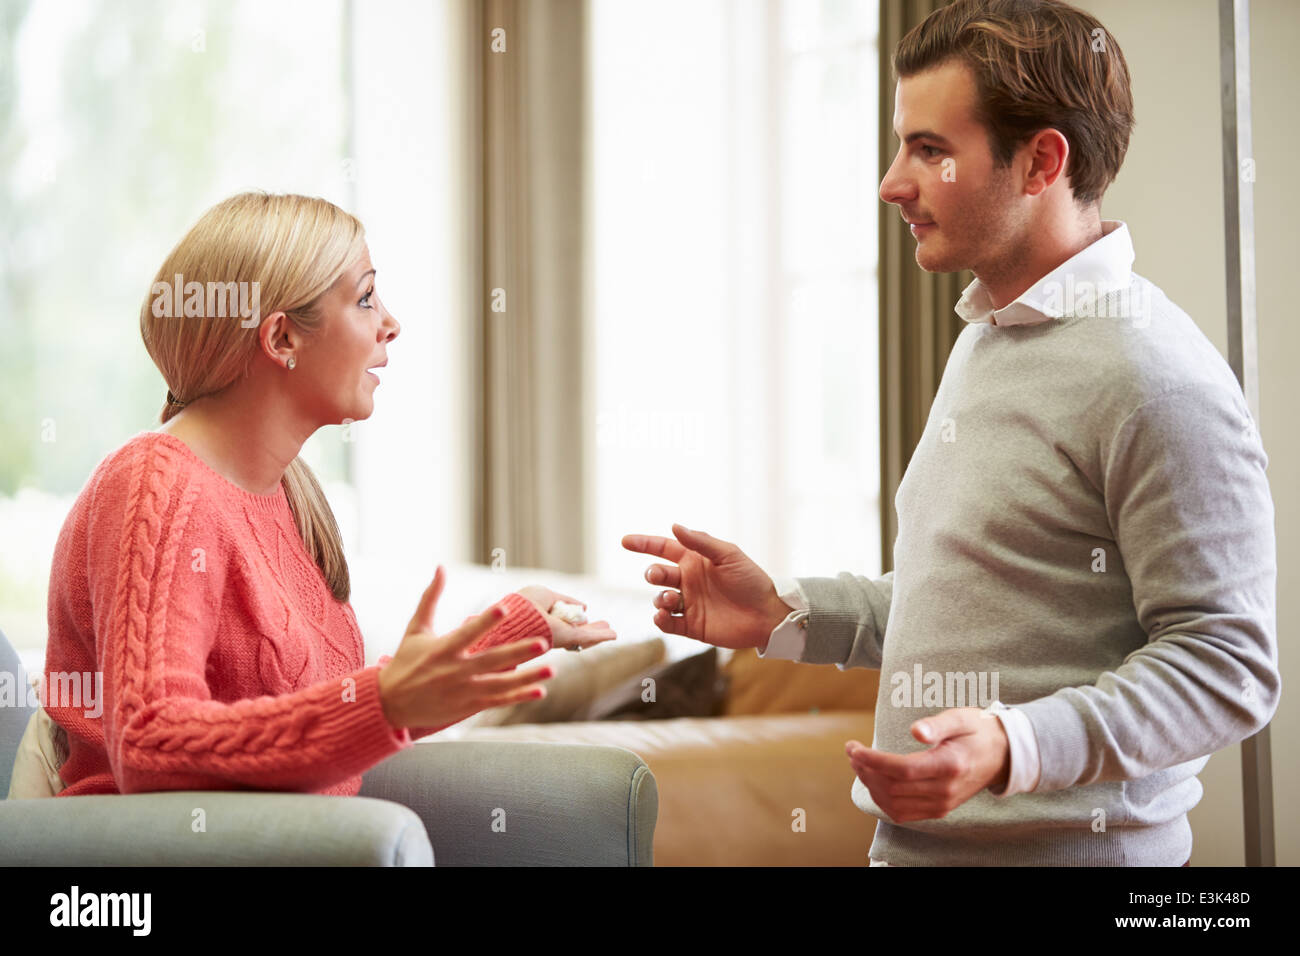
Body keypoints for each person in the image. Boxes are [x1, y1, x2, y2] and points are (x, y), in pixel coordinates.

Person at [623, 0, 1279, 866]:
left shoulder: (1155, 378)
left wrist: (1017, 744)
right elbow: (965, 603)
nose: (893, 183)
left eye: (931, 150)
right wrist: (786, 614)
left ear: (1043, 160)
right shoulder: (987, 338)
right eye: (903, 146)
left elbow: (1227, 663)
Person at [43, 191, 615, 798]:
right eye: (365, 297)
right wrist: (385, 703)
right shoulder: (155, 483)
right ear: (282, 338)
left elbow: (327, 723)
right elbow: (151, 746)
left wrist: (502, 636)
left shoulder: (288, 493)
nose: (390, 323)